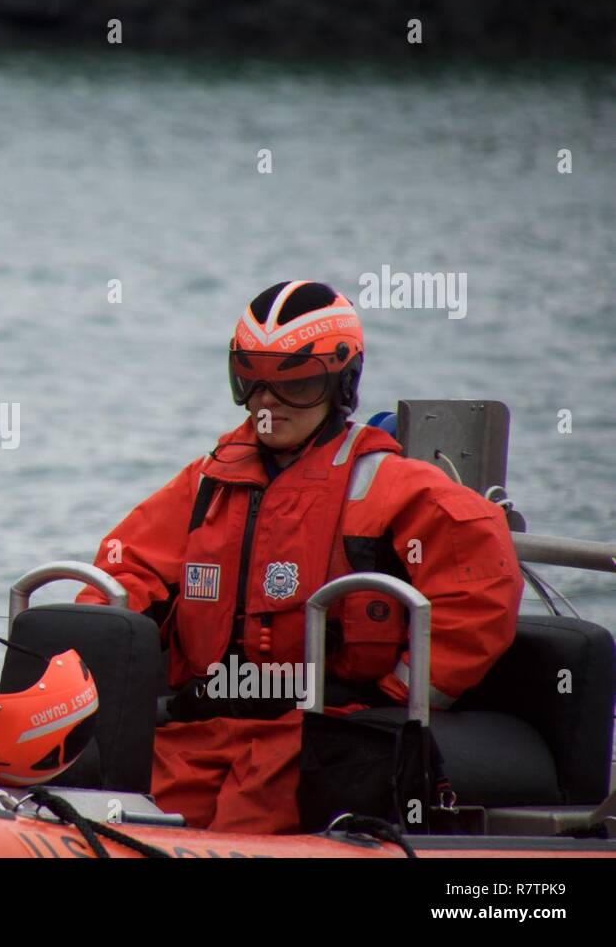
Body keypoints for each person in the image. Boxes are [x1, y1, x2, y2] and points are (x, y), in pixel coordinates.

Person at [77, 280, 522, 832]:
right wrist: (96, 650)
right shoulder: (209, 483)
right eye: (252, 384)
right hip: (198, 731)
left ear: (341, 385)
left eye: (297, 385)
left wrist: (394, 698)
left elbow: (479, 588)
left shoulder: (389, 488)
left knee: (247, 823)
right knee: (110, 823)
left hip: (318, 733)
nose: (267, 403)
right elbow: (126, 566)